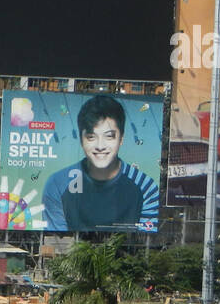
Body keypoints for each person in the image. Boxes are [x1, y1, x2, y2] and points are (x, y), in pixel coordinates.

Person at [41, 95, 159, 232]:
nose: (100, 146)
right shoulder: (57, 184)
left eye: (109, 136)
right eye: (91, 137)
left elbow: (145, 242)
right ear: (81, 140)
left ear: (121, 139)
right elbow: (57, 241)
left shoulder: (146, 187)